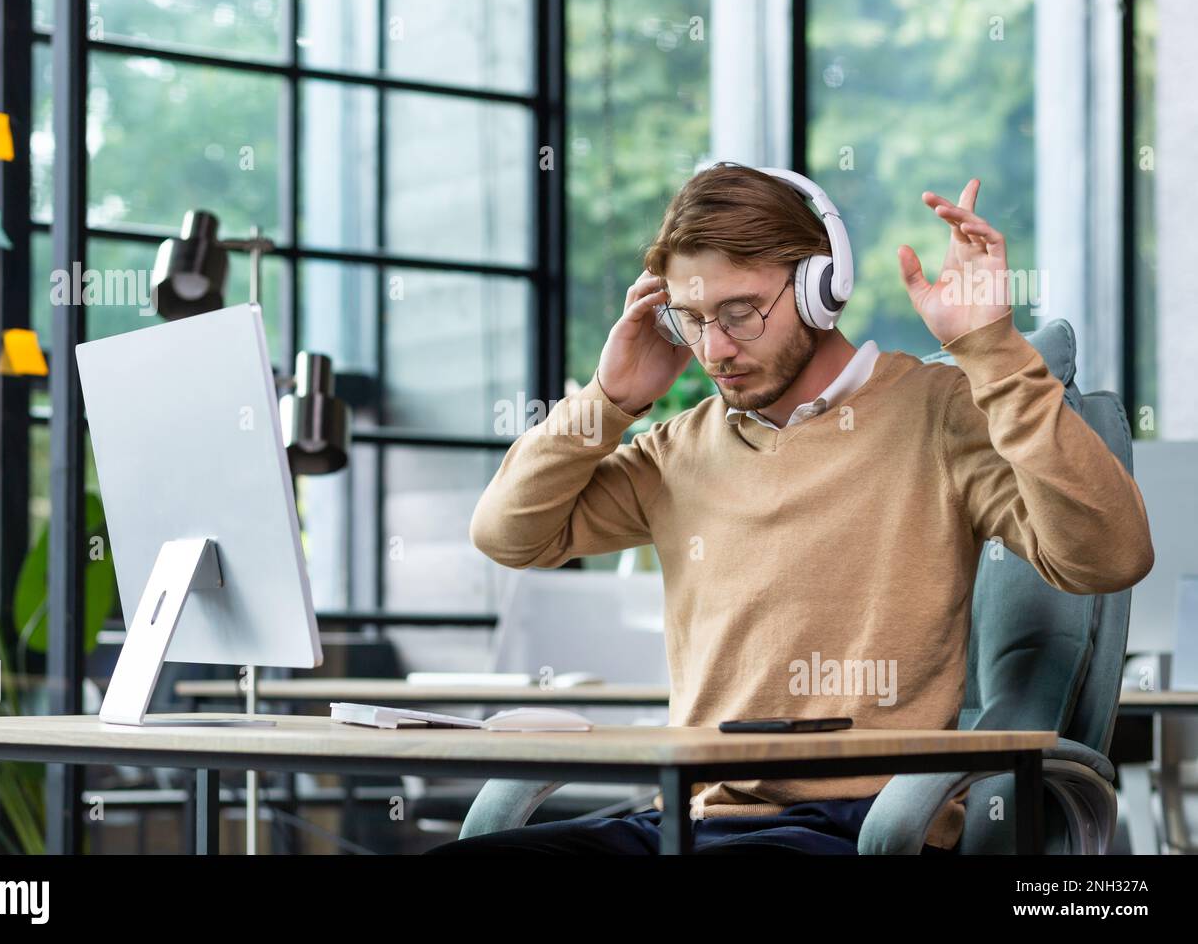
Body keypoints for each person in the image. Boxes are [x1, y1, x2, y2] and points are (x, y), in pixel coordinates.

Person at [425, 162, 1153, 855]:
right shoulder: (679, 448)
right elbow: (508, 534)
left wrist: (991, 349)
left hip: (854, 827)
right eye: (691, 320)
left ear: (818, 288)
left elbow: (1110, 555)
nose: (715, 348)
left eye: (740, 314)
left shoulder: (938, 413)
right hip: (683, 823)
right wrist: (608, 400)